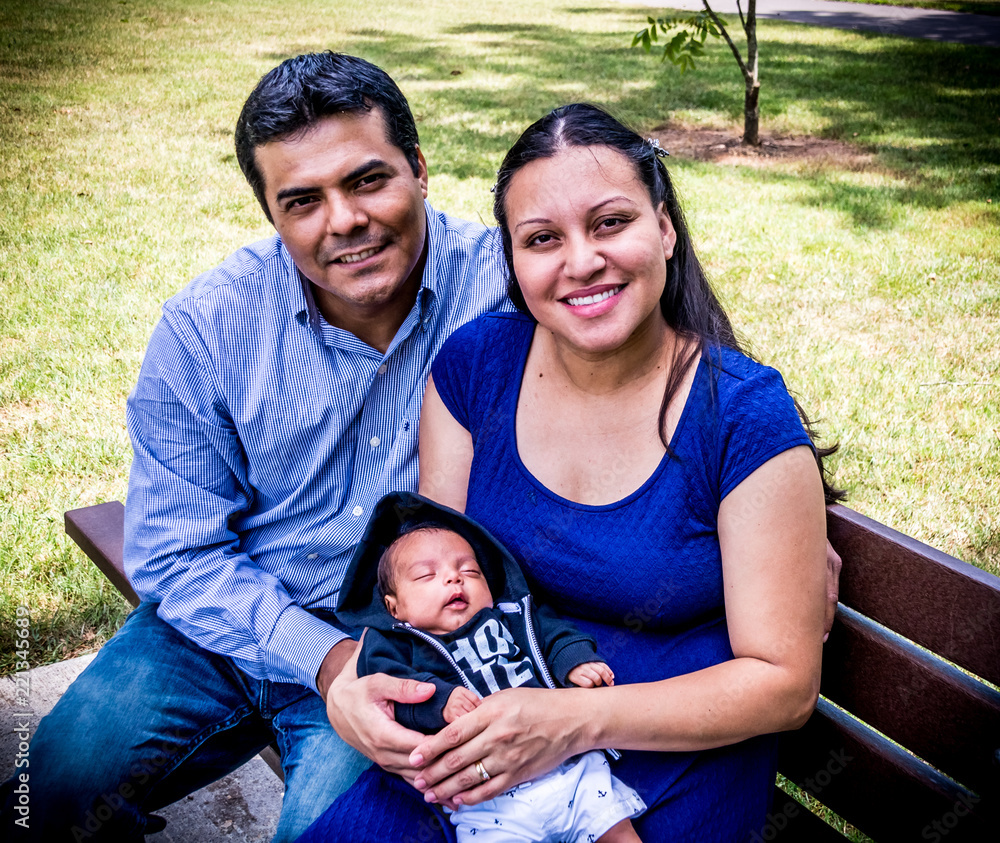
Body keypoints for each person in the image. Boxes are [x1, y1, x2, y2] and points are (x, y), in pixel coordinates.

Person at [0, 52, 509, 842]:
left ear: (420, 168)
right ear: (272, 214)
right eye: (302, 200)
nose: (342, 219)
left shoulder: (507, 289)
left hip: (408, 640)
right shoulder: (206, 329)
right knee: (51, 789)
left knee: (335, 834)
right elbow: (174, 553)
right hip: (224, 617)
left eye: (368, 179)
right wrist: (327, 657)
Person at [305, 103, 837, 842]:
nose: (580, 261)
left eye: (611, 222)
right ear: (513, 260)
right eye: (543, 239)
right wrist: (353, 688)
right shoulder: (475, 368)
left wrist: (568, 720)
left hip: (669, 746)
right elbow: (428, 570)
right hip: (480, 741)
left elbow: (785, 684)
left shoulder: (741, 413)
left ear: (666, 227)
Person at [335, 492, 645, 842]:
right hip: (488, 796)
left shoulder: (510, 617)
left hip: (566, 762)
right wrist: (438, 700)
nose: (455, 579)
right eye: (426, 575)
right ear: (393, 608)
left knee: (616, 829)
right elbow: (392, 690)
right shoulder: (395, 647)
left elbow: (552, 632)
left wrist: (573, 659)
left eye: (469, 570)